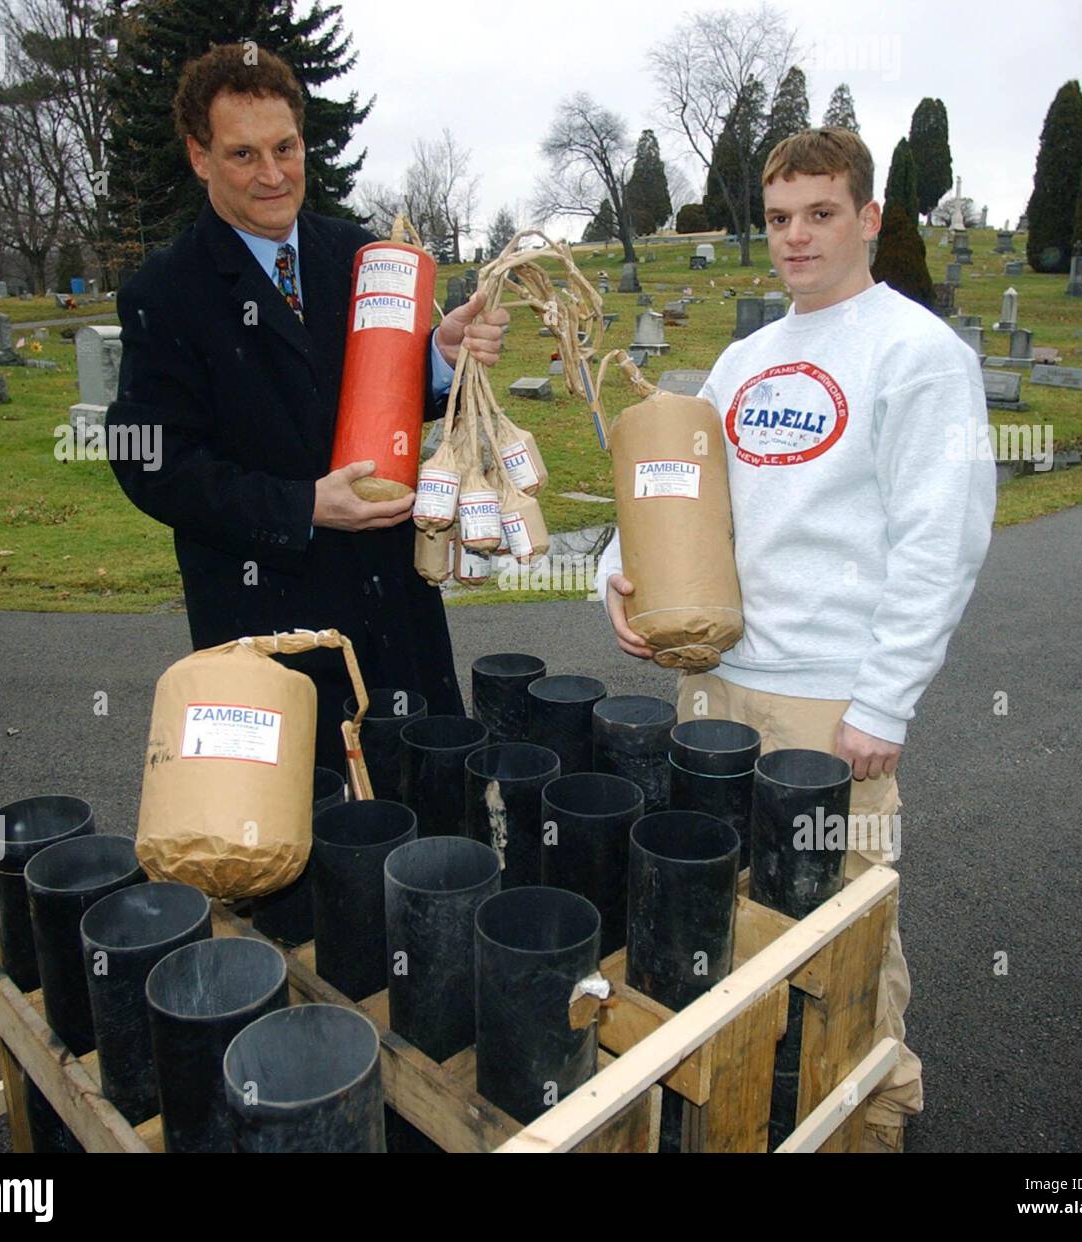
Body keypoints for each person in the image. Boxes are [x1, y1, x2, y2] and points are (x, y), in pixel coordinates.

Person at [596, 127, 996, 1152]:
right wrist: (618, 574)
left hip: (830, 707)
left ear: (867, 218)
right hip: (719, 686)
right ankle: (767, 1105)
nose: (796, 237)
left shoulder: (916, 355)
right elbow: (677, 486)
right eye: (778, 218)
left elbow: (937, 540)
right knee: (727, 912)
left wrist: (884, 702)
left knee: (844, 930)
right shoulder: (746, 359)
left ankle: (873, 1112)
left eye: (821, 213)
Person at [106, 45, 507, 771]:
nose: (272, 174)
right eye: (243, 154)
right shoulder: (164, 292)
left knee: (426, 805)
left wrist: (441, 355)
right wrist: (299, 507)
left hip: (394, 600)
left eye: (285, 147)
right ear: (199, 158)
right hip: (266, 614)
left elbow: (382, 397)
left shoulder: (360, 256)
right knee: (299, 841)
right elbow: (149, 464)